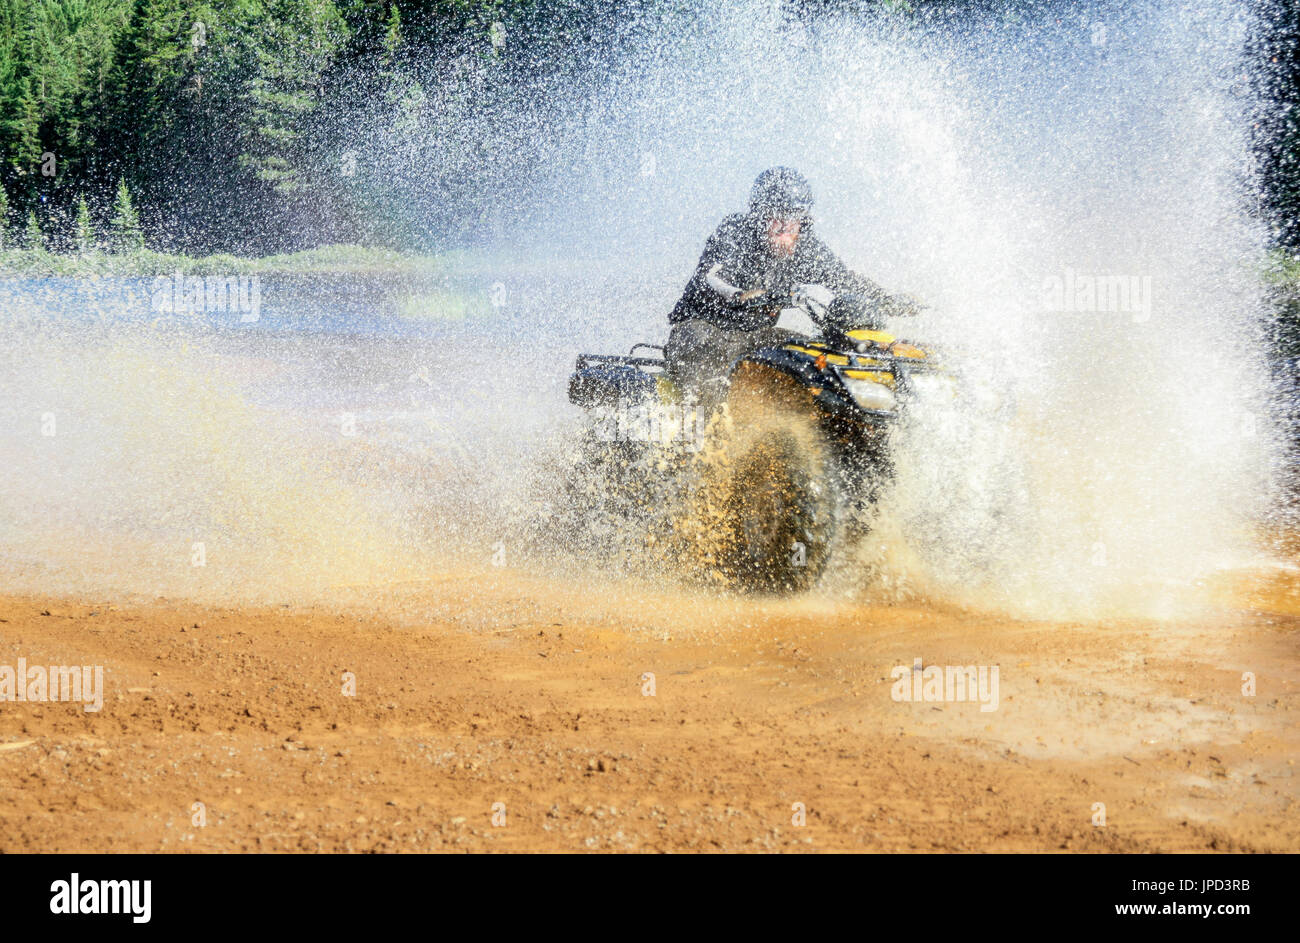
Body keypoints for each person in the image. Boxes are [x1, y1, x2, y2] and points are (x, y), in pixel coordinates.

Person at [665, 166, 916, 402]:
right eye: (776, 215)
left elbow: (844, 279)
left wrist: (885, 300)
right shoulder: (735, 231)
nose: (785, 226)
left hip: (756, 336)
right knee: (702, 352)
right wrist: (745, 295)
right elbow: (711, 277)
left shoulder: (805, 248)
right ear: (758, 215)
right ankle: (709, 432)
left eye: (793, 216)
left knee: (815, 354)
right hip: (703, 327)